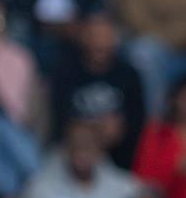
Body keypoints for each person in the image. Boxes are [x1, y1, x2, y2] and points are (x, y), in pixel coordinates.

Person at [48, 14, 146, 170]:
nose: (100, 43)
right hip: (72, 154)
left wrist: (120, 129)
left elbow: (137, 120)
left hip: (119, 156)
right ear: (83, 38)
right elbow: (59, 118)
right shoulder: (65, 72)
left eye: (105, 37)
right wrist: (93, 129)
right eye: (94, 36)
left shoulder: (129, 74)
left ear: (115, 40)